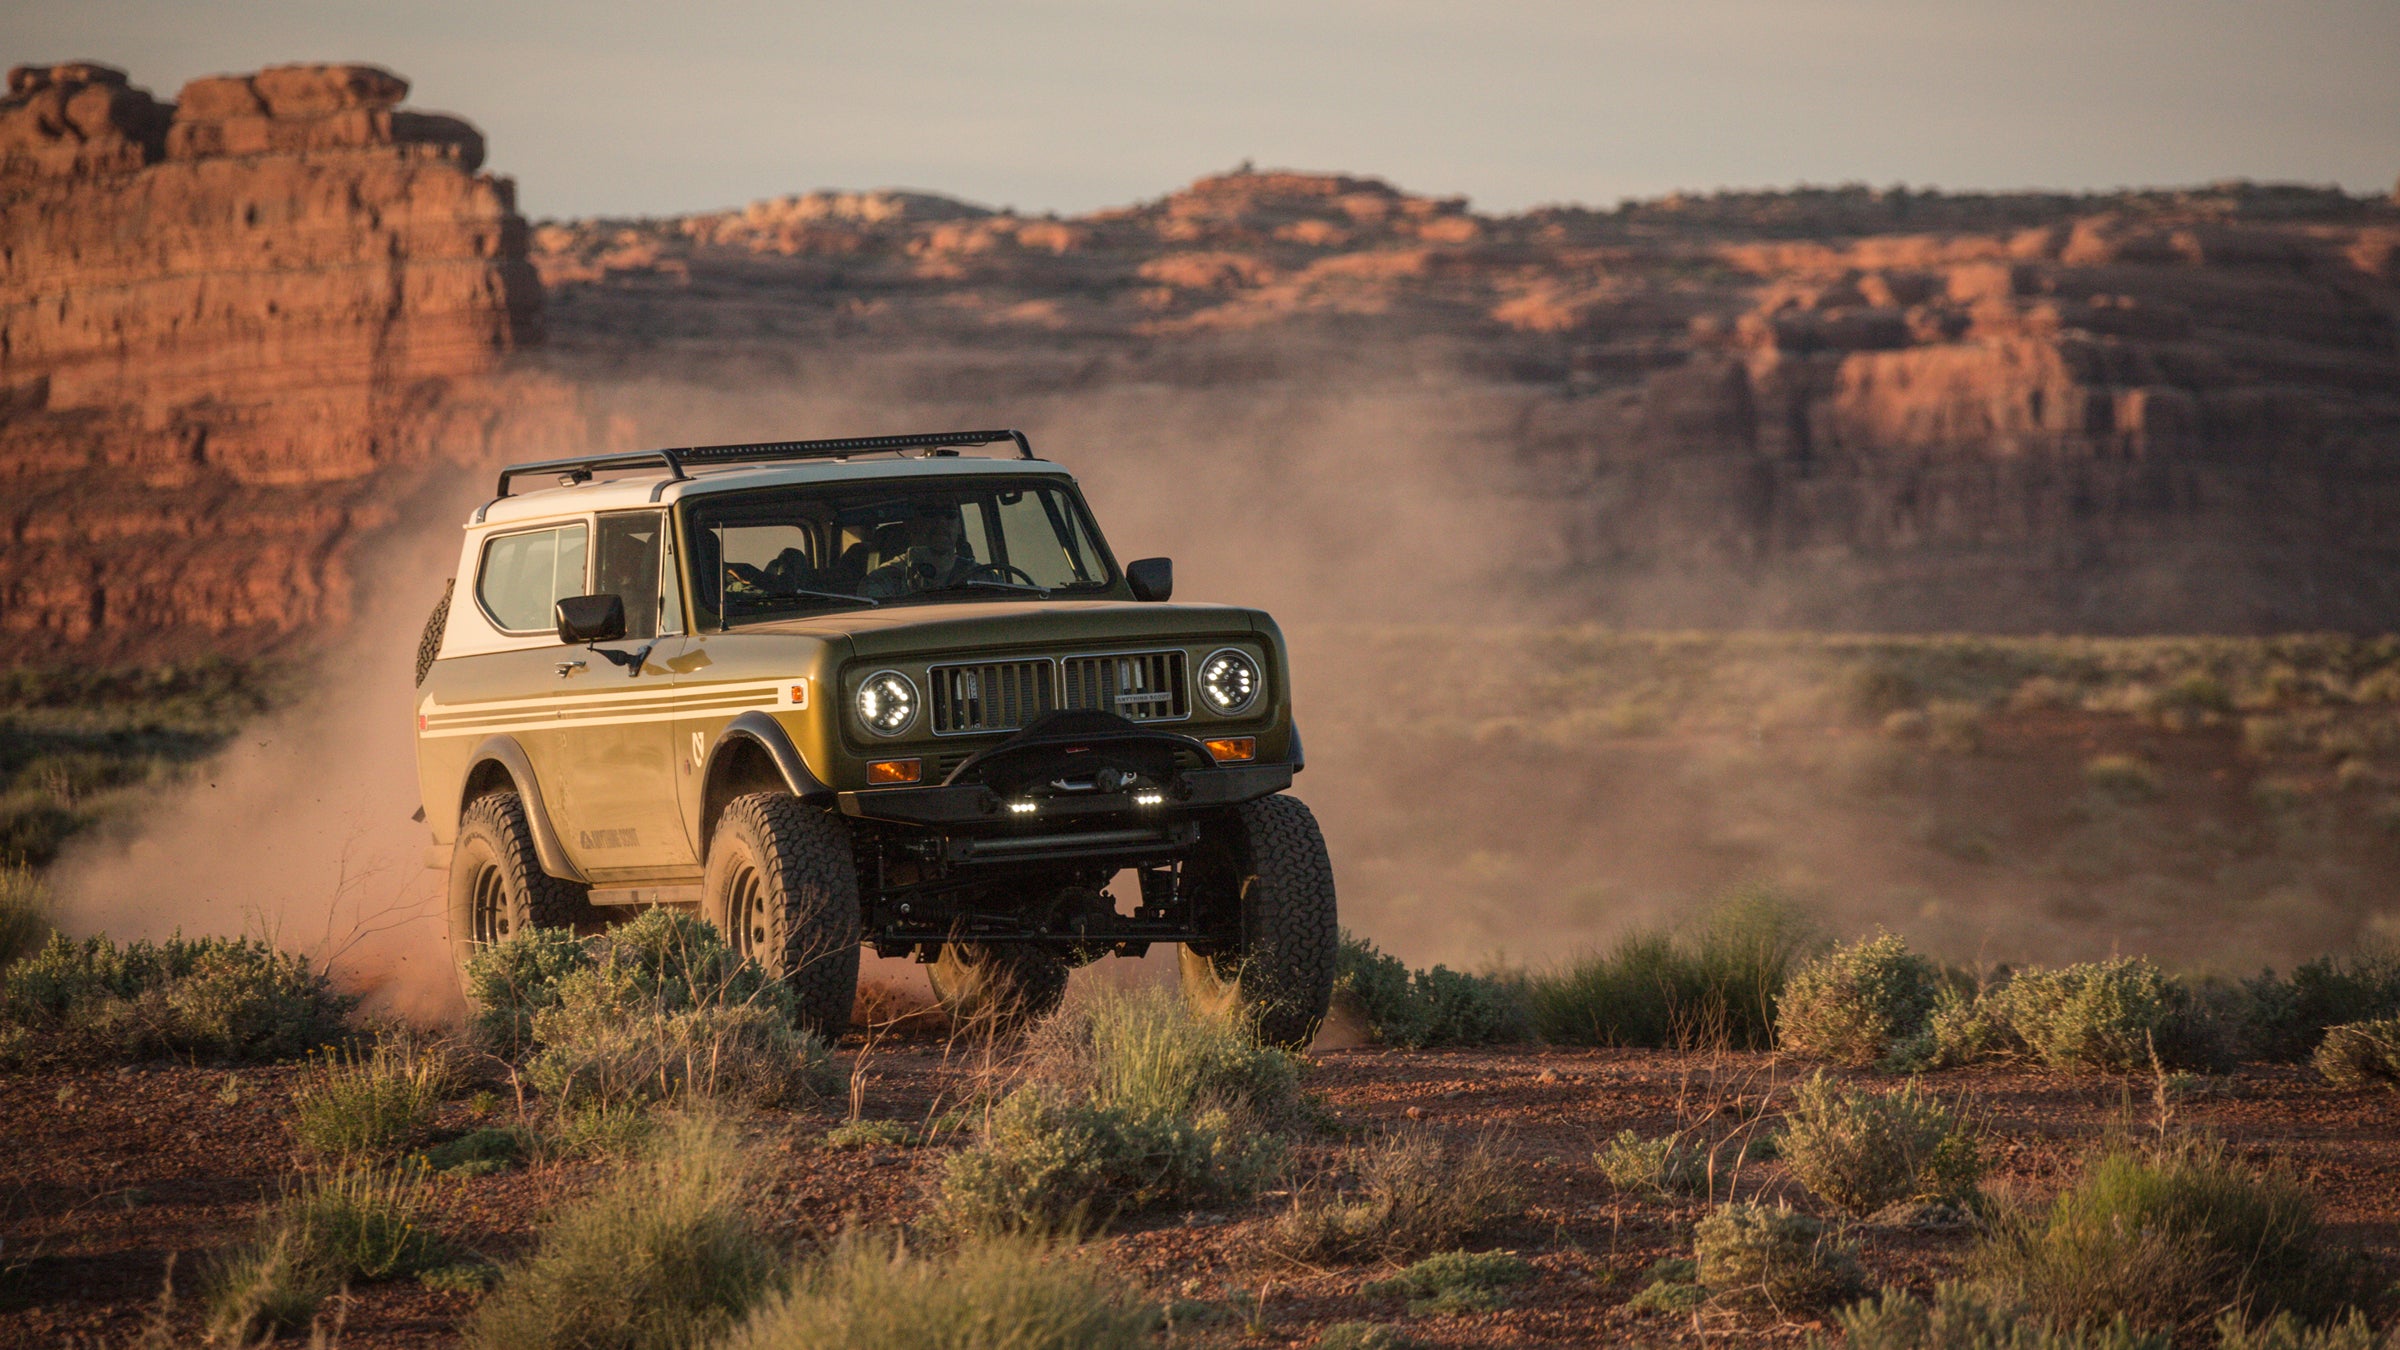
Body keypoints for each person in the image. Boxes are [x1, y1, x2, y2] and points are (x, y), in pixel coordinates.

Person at [860, 506, 977, 598]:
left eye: (950, 514)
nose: (941, 521)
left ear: (959, 526)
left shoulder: (983, 579)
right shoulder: (882, 582)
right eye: (930, 513)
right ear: (911, 524)